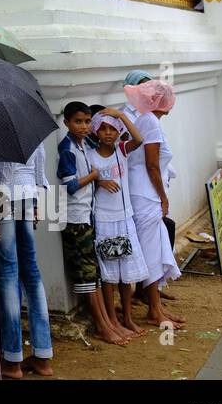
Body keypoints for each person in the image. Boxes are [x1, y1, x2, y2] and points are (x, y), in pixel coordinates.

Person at [56, 102, 134, 345]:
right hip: (74, 219)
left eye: (88, 122)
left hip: (86, 216)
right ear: (66, 122)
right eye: (78, 121)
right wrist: (95, 177)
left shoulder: (82, 145)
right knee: (87, 276)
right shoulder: (67, 148)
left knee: (95, 274)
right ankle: (102, 326)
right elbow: (69, 185)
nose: (84, 126)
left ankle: (109, 323)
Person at [0, 139, 53, 378]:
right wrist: (35, 203)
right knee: (31, 274)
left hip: (1, 198)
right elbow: (38, 170)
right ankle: (43, 356)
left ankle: (12, 359)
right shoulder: (26, 121)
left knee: (7, 275)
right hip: (27, 196)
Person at [122, 76, 184, 329]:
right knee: (151, 251)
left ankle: (156, 307)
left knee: (154, 247)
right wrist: (163, 196)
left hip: (138, 190)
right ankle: (154, 310)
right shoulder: (151, 123)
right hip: (146, 193)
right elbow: (152, 165)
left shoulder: (142, 118)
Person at [85, 110, 148, 337]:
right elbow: (84, 182)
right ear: (96, 131)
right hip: (104, 219)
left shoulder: (122, 150)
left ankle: (128, 318)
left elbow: (139, 139)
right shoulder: (90, 156)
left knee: (125, 273)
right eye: (103, 128)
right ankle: (112, 319)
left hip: (124, 218)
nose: (108, 133)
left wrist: (119, 115)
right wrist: (100, 181)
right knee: (110, 275)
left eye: (113, 128)